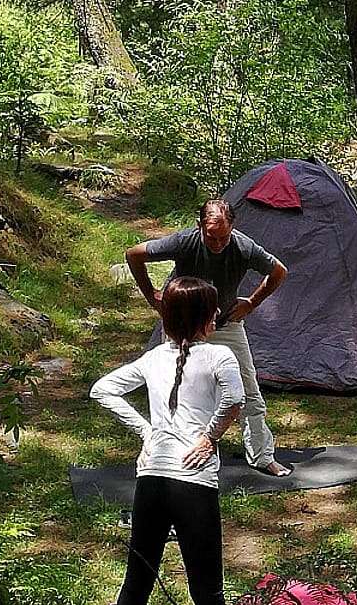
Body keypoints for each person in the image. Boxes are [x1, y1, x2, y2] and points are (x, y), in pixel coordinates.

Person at [90, 277, 245, 605]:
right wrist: (210, 437)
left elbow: (102, 390)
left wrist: (148, 433)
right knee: (207, 589)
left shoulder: (154, 358)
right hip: (191, 484)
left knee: (138, 578)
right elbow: (235, 400)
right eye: (212, 309)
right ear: (200, 317)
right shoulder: (220, 356)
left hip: (152, 482)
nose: (217, 314)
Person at [125, 199, 291, 476]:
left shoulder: (243, 247)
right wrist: (153, 297)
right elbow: (134, 254)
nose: (217, 244)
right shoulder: (183, 242)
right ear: (198, 225)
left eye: (223, 237)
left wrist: (252, 302)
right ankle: (169, 450)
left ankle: (262, 456)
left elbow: (279, 271)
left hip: (224, 323)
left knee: (249, 391)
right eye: (211, 237)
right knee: (174, 388)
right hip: (183, 325)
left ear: (233, 227)